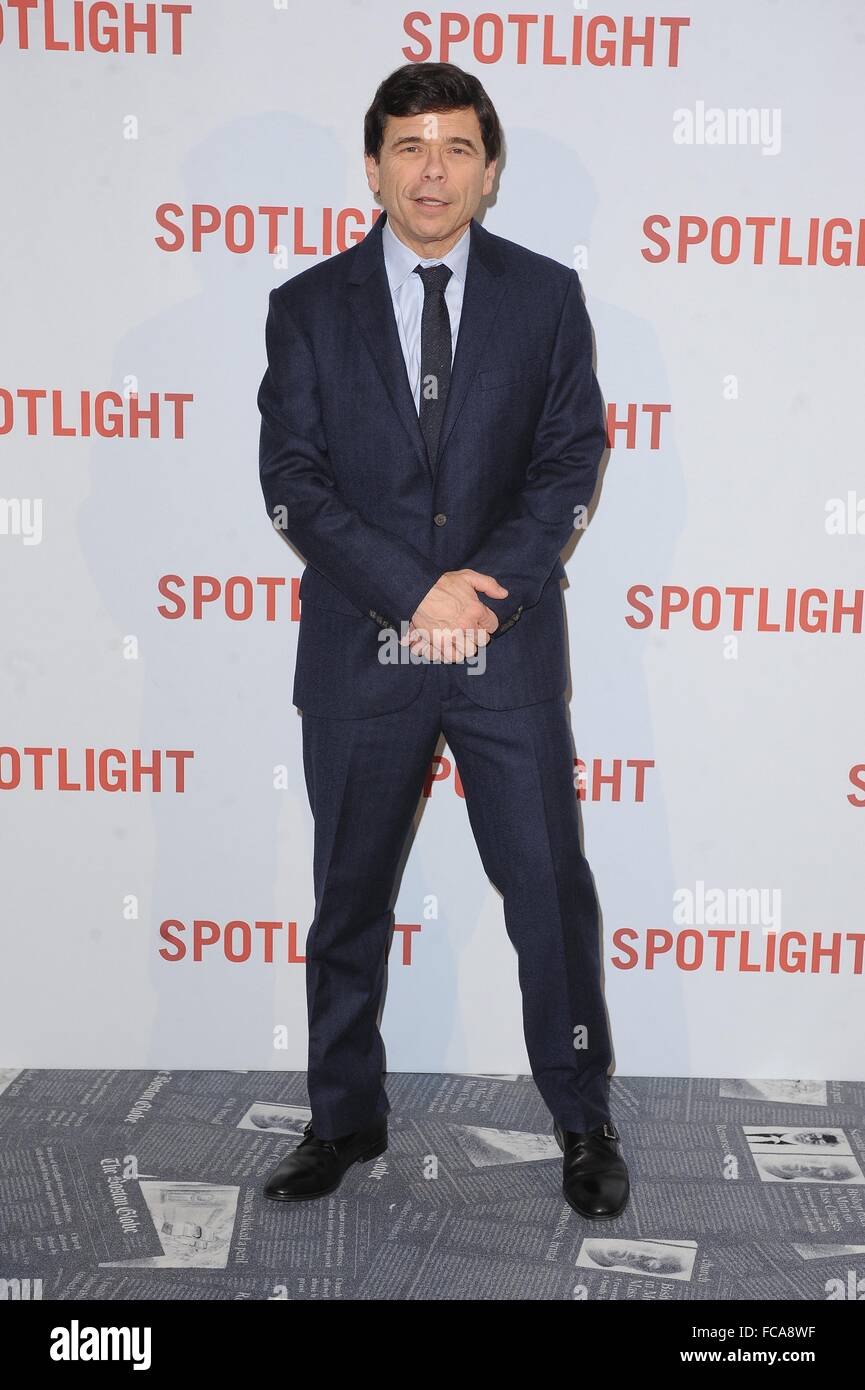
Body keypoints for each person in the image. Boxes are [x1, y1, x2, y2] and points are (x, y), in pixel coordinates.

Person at [257, 60, 629, 1221]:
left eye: (457, 147)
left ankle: (580, 1119)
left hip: (503, 646)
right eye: (409, 147)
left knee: (545, 891)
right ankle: (342, 1117)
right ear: (372, 166)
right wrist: (414, 594)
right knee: (349, 893)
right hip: (365, 643)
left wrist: (487, 592)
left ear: (490, 169)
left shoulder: (546, 296)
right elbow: (295, 483)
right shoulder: (307, 305)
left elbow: (571, 459)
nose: (432, 170)